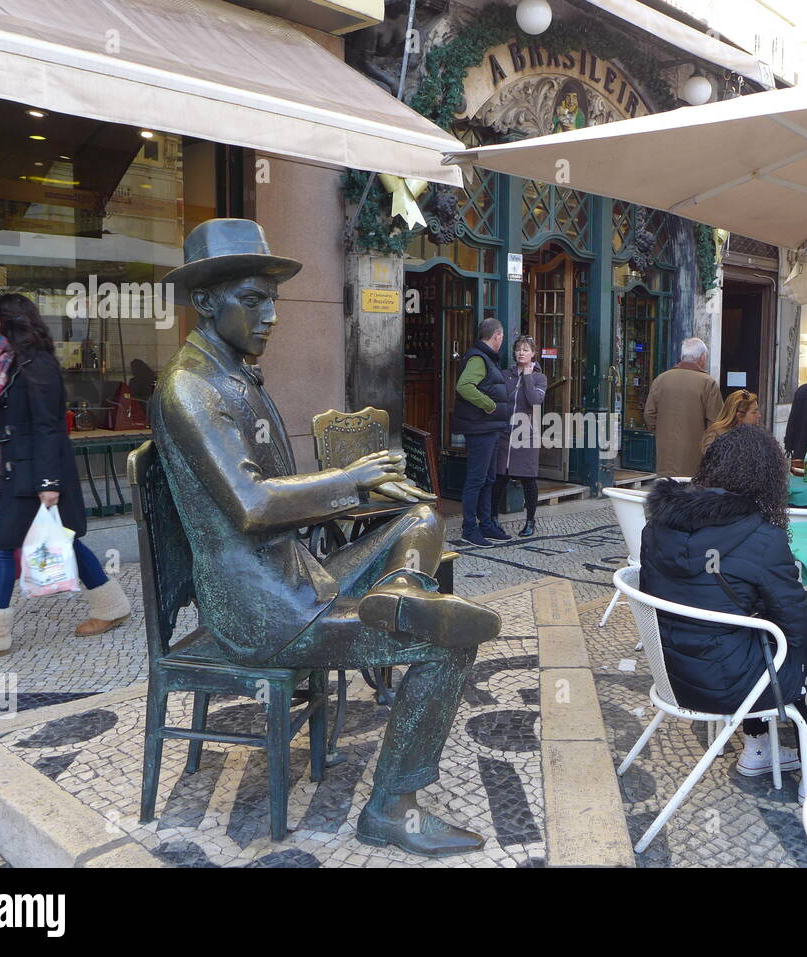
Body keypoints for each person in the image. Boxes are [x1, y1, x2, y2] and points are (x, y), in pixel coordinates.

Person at [151, 219, 501, 855]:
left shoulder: (230, 374)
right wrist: (347, 481)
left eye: (273, 301)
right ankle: (392, 809)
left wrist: (367, 491)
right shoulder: (191, 388)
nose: (271, 317)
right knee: (448, 643)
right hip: (263, 612)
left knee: (420, 516)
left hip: (298, 579)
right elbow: (253, 506)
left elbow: (276, 492)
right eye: (252, 301)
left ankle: (402, 589)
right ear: (206, 302)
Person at [639, 425, 807, 795]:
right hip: (727, 686)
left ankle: (758, 748)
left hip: (671, 673)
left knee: (752, 633)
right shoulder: (763, 537)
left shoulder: (658, 525)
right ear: (767, 479)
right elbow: (795, 624)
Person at [0, 294, 133, 663]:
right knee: (66, 540)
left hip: (33, 476)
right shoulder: (10, 362)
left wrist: (48, 484)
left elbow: (48, 427)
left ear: (8, 321)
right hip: (19, 471)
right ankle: (111, 606)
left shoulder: (35, 363)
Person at [453, 317, 513, 547]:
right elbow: (464, 386)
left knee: (488, 478)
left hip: (491, 427)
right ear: (496, 336)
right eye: (502, 337)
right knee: (476, 479)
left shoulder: (488, 358)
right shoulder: (479, 359)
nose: (502, 340)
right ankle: (469, 529)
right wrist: (489, 405)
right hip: (481, 428)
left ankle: (486, 524)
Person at [492, 335, 548, 538]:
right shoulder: (506, 374)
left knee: (528, 479)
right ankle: (493, 518)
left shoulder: (539, 378)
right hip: (505, 432)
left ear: (533, 353)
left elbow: (534, 400)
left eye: (525, 349)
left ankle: (530, 521)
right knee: (500, 477)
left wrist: (527, 376)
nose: (521, 352)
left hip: (526, 434)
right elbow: (499, 399)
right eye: (518, 349)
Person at [644, 337, 724, 477]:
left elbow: (649, 414)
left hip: (665, 453)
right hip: (695, 457)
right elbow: (716, 423)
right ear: (702, 358)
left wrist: (662, 433)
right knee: (690, 495)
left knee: (667, 493)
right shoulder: (708, 383)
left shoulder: (661, 379)